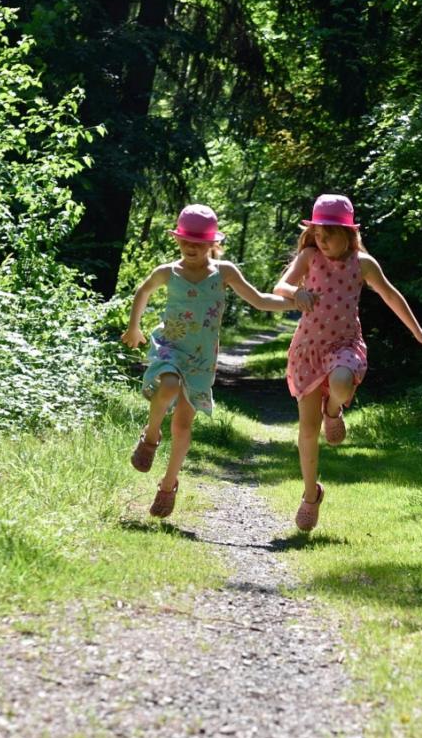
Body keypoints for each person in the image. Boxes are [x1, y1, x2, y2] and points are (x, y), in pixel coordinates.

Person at [121, 204, 305, 519]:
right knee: (167, 385)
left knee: (183, 423)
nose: (191, 248)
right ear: (177, 239)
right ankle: (150, 436)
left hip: (201, 359)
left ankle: (168, 485)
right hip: (170, 346)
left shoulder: (225, 272)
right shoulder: (168, 272)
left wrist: (295, 301)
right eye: (185, 241)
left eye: (199, 243)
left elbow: (259, 300)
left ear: (212, 244)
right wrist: (134, 327)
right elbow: (144, 290)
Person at [274, 194, 422, 532]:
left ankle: (332, 412)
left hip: (344, 344)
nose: (323, 239)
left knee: (342, 380)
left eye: (330, 233)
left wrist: (418, 332)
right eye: (318, 233)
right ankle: (310, 495)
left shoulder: (362, 263)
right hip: (308, 348)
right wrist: (296, 294)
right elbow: (281, 285)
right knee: (306, 431)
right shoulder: (309, 256)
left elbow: (391, 295)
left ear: (349, 234)